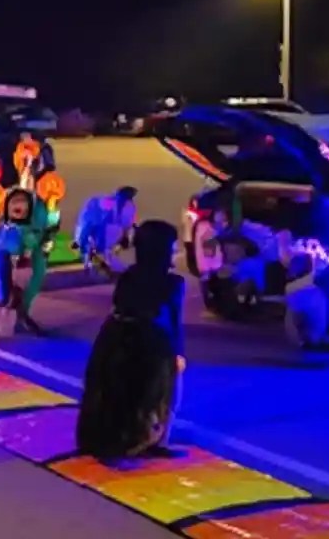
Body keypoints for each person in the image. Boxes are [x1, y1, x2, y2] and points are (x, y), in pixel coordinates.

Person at [77, 220, 185, 461]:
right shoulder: (173, 283)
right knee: (163, 393)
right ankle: (157, 439)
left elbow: (120, 304)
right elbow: (175, 321)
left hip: (115, 336)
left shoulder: (129, 276)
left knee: (113, 390)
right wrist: (178, 353)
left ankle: (110, 438)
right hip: (149, 341)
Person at [0, 188, 49, 340]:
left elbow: (37, 236)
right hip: (2, 254)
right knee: (0, 293)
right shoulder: (7, 226)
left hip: (19, 256)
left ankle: (14, 319)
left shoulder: (36, 210)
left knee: (16, 291)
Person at [73, 186, 138, 274]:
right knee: (102, 249)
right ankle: (97, 265)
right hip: (104, 230)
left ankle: (94, 265)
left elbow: (126, 224)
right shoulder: (124, 206)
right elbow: (126, 224)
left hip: (104, 231)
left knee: (100, 249)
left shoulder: (127, 207)